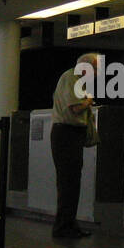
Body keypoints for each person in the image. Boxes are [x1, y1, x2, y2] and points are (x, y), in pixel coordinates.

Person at [50, 53, 99, 238]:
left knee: (70, 182)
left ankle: (68, 223)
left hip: (68, 134)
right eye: (95, 69)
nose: (96, 73)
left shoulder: (73, 79)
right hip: (67, 134)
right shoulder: (72, 78)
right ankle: (64, 226)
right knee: (68, 182)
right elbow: (75, 107)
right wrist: (88, 101)